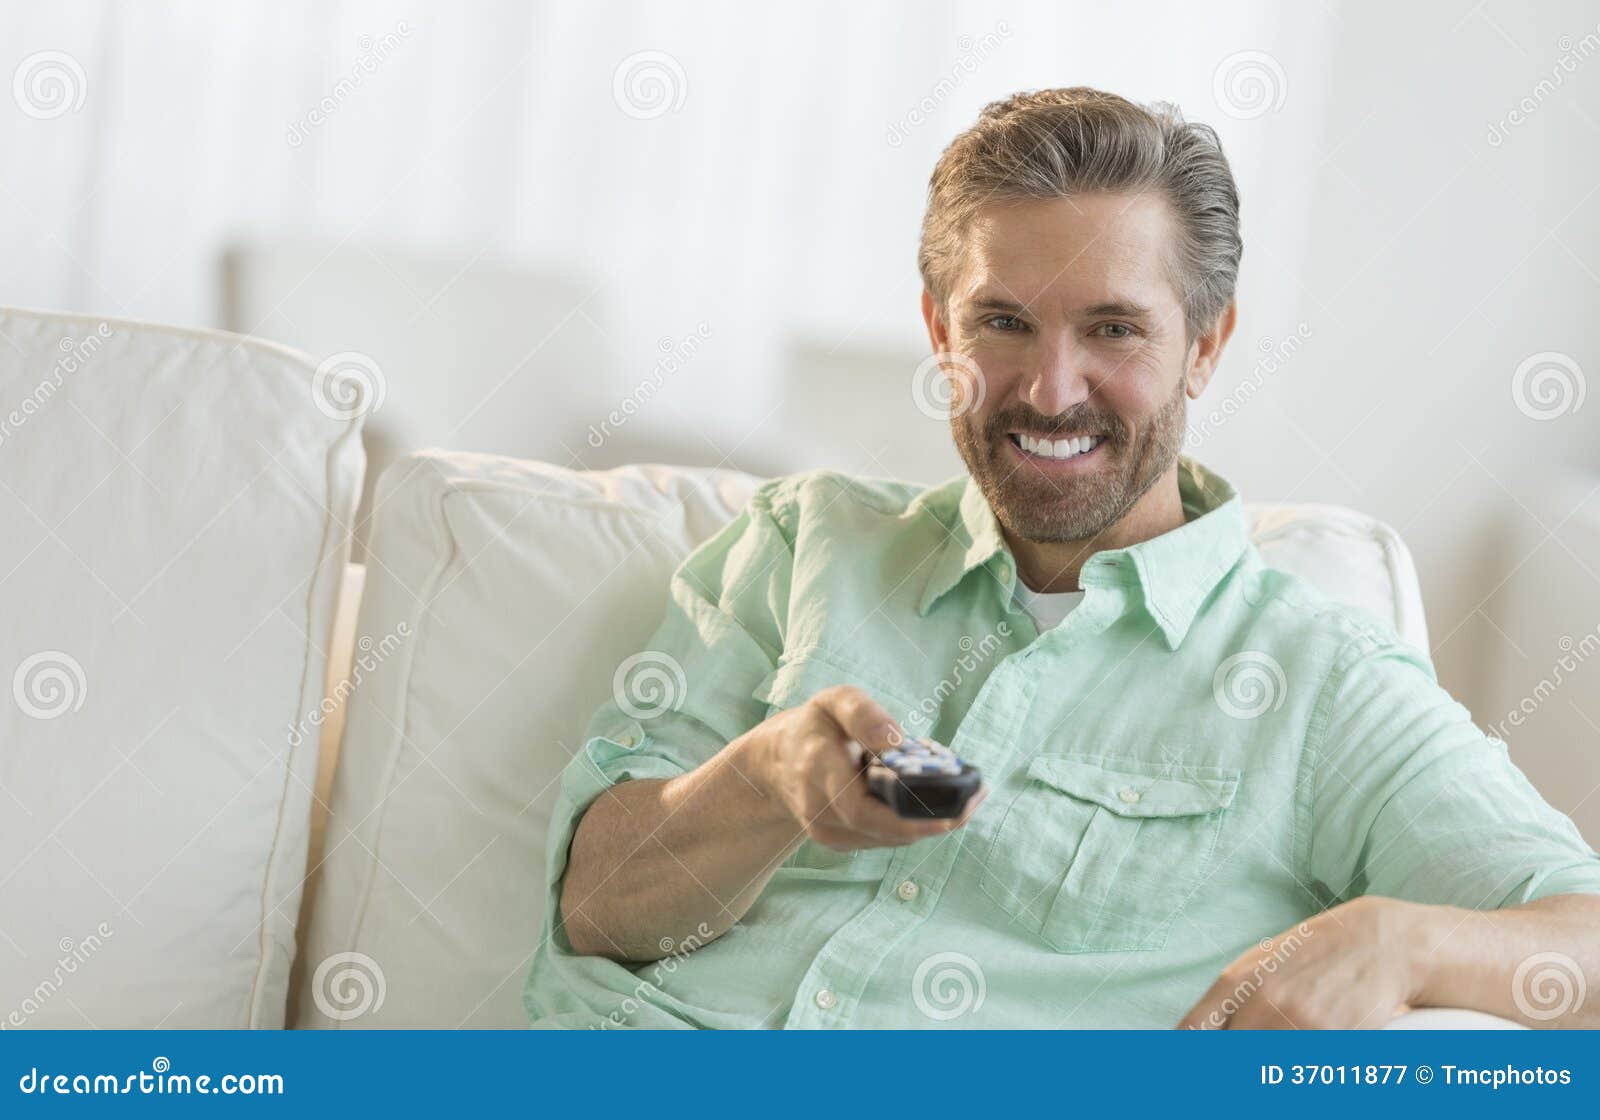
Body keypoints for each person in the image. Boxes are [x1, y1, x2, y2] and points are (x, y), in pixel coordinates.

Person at [524, 87, 1600, 1029]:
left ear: (1207, 345)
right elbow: (599, 905)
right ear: (939, 335)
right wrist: (763, 782)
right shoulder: (803, 544)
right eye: (1002, 321)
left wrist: (1398, 942)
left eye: (1114, 330)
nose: (1049, 390)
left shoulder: (1317, 680)